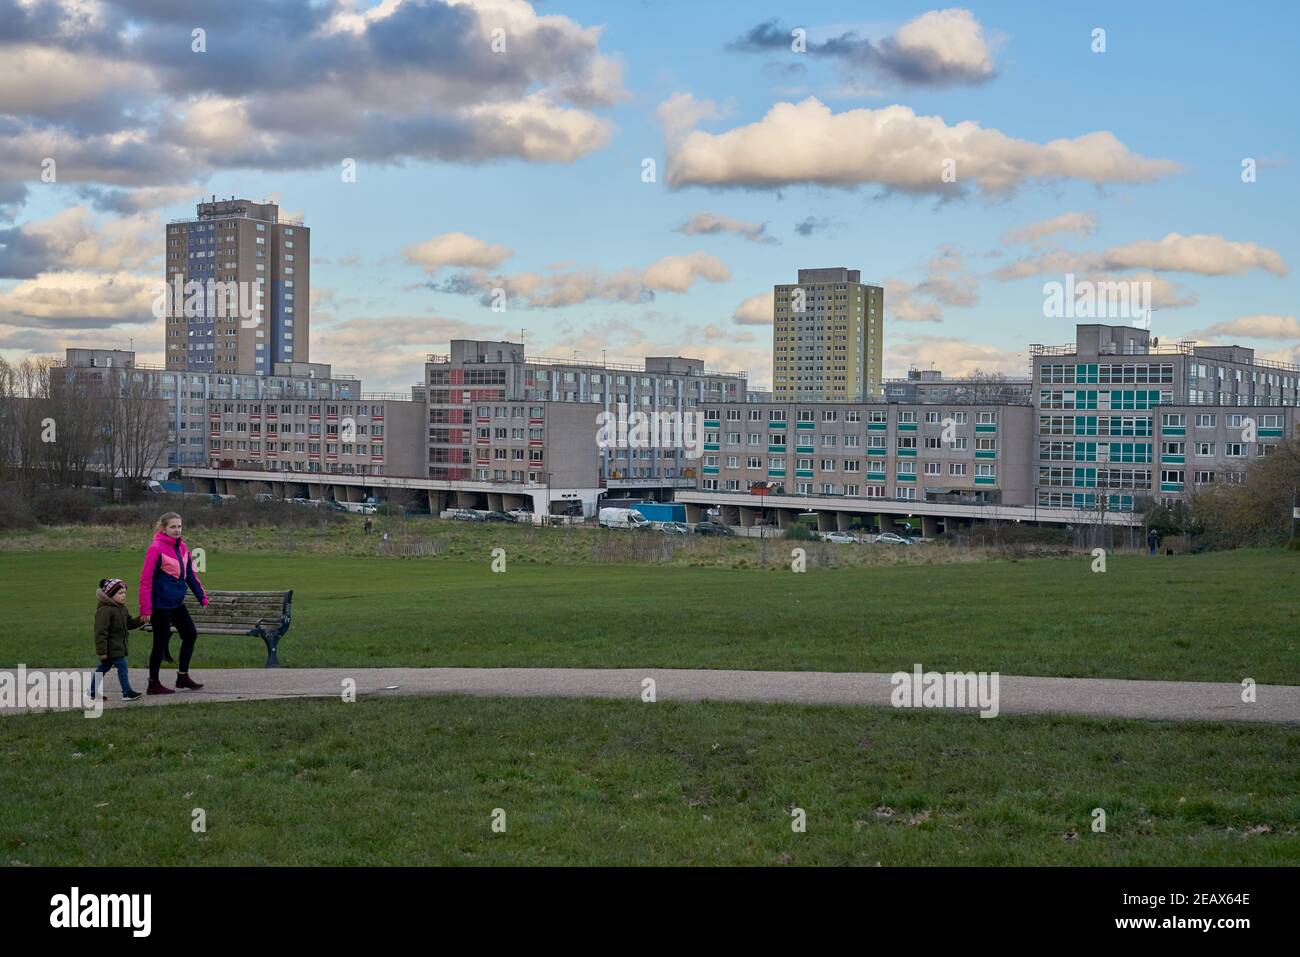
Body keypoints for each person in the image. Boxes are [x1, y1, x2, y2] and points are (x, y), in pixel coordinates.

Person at [139, 512, 208, 695]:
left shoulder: (183, 547)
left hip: (177, 602)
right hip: (159, 605)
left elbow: (191, 575)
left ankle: (182, 676)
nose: (177, 530)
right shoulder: (155, 548)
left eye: (179, 526)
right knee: (159, 643)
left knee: (190, 634)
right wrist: (145, 608)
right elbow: (145, 580)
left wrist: (202, 596)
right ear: (163, 529)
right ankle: (153, 684)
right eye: (173, 527)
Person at [90, 578, 144, 701]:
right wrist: (102, 651)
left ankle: (92, 692)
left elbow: (129, 624)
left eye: (125, 593)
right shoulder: (105, 611)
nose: (123, 596)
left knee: (103, 668)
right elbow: (100, 632)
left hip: (118, 645)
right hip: (111, 647)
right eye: (120, 593)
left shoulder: (122, 608)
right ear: (110, 595)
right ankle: (127, 692)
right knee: (122, 666)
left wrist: (141, 620)